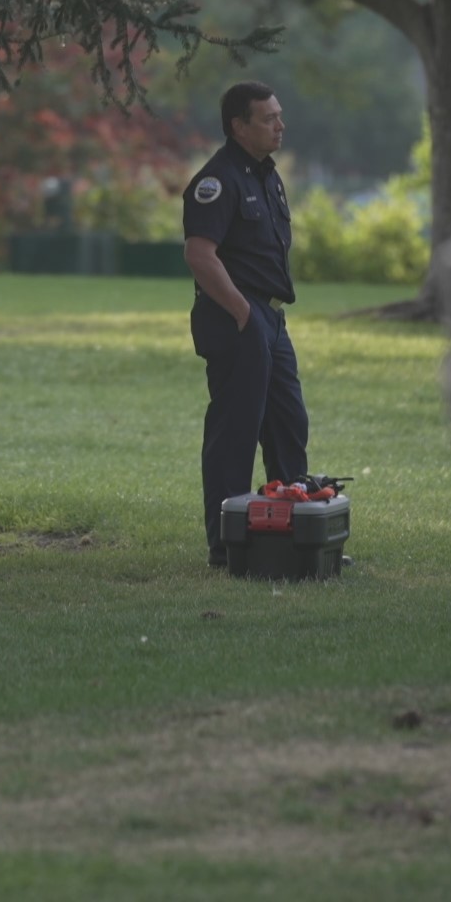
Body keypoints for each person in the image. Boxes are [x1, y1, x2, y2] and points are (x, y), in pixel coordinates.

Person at [183, 81, 310, 568]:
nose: (280, 124)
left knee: (289, 424)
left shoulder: (266, 176)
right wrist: (241, 313)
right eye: (268, 118)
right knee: (236, 431)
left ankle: (294, 534)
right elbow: (199, 253)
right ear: (239, 126)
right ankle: (227, 545)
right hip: (238, 315)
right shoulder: (217, 181)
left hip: (271, 317)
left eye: (279, 115)